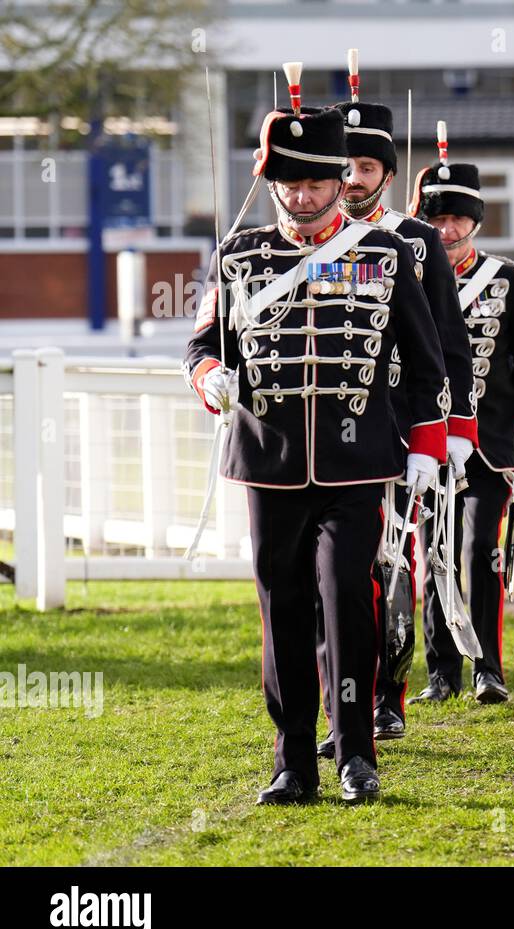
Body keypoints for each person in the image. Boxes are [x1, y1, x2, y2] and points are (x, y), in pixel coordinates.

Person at [184, 77, 450, 805]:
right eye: (288, 183)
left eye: (313, 182)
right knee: (283, 609)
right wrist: (209, 378)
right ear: (271, 185)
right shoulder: (237, 256)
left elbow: (426, 363)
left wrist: (426, 447)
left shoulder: (385, 255)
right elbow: (203, 345)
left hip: (356, 459)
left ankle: (357, 753)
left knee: (347, 601)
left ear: (339, 181)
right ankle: (292, 759)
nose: (301, 197)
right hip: (267, 461)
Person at [313, 56, 480, 757]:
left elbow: (446, 342)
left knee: (392, 566)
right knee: (328, 577)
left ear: (385, 173)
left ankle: (387, 699)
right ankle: (336, 708)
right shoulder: (308, 240)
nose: (350, 179)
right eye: (341, 165)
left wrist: (454, 431)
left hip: (397, 431)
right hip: (324, 432)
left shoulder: (413, 241)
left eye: (363, 167)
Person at [407, 129, 514, 706]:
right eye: (436, 217)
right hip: (424, 439)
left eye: (457, 218)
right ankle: (441, 671)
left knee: (480, 553)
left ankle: (488, 666)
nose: (445, 230)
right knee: (430, 553)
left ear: (475, 221)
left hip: (488, 442)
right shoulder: (405, 274)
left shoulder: (506, 279)